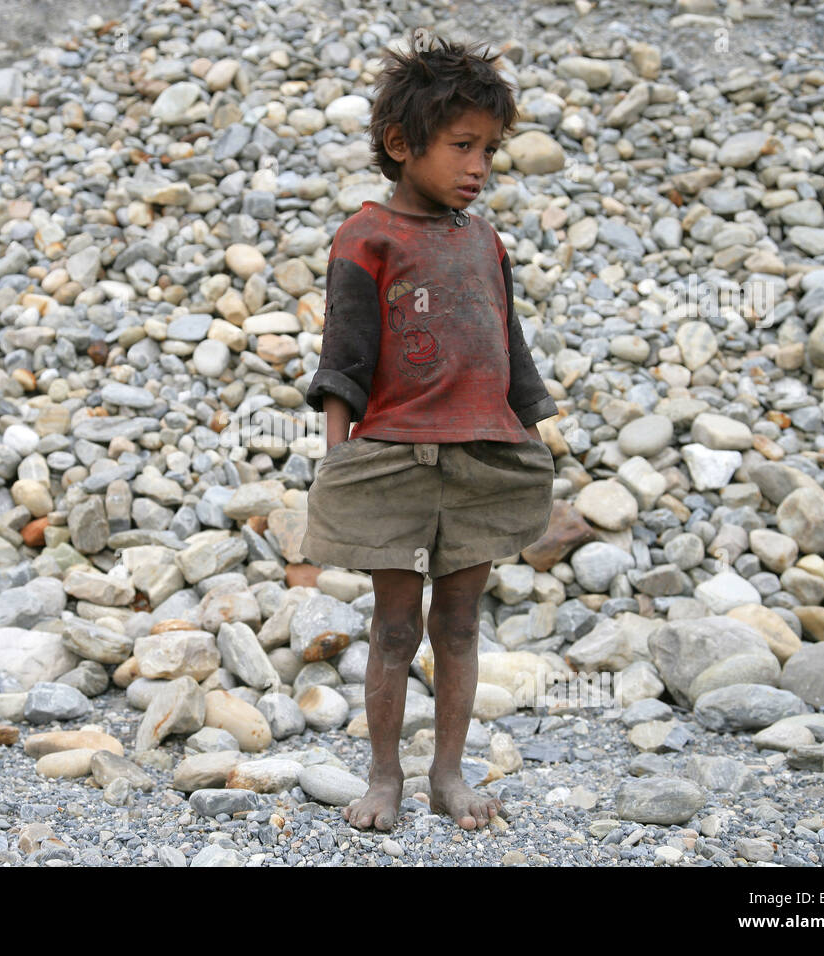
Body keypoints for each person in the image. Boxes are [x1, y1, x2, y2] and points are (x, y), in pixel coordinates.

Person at [300, 33, 559, 832]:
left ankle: (448, 774)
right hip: (394, 457)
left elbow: (508, 348)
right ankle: (384, 778)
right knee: (395, 625)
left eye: (489, 150)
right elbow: (343, 358)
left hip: (482, 453)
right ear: (401, 145)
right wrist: (341, 462)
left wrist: (533, 432)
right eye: (462, 147)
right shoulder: (366, 237)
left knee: (458, 622)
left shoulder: (485, 240)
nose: (479, 166)